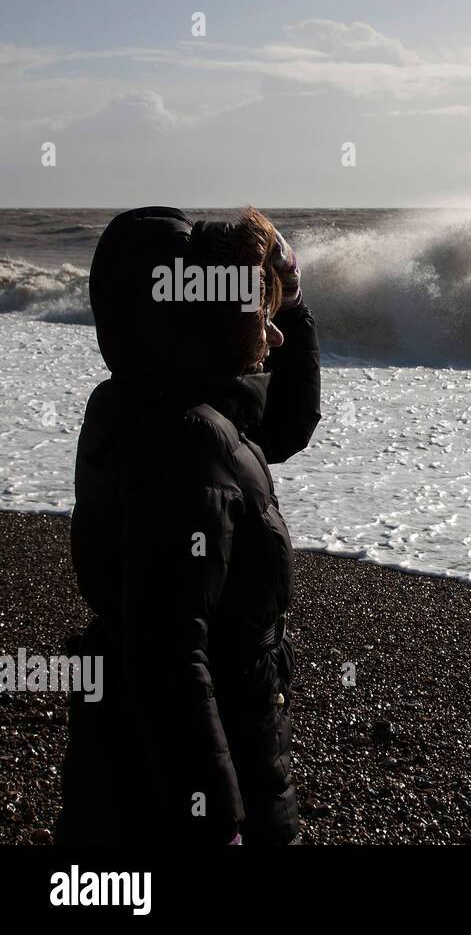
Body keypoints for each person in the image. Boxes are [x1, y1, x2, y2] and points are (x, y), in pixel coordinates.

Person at [55, 206, 321, 845]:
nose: (275, 337)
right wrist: (215, 823)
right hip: (171, 785)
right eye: (262, 314)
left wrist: (291, 304)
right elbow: (168, 656)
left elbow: (284, 425)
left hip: (150, 760)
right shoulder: (186, 448)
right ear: (211, 319)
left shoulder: (166, 405)